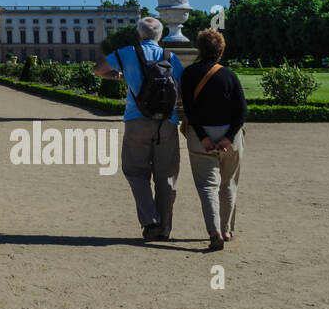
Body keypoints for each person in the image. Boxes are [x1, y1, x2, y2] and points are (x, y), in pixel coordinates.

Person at [95, 17, 183, 241]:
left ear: (139, 35)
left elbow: (99, 69)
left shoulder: (127, 52)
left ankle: (149, 220)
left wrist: (122, 76)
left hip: (136, 119)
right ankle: (164, 228)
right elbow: (180, 91)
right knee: (167, 176)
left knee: (135, 172)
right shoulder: (170, 57)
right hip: (167, 123)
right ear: (160, 36)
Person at [180, 28, 247, 251]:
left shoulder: (189, 74)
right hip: (230, 136)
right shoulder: (230, 75)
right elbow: (242, 112)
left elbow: (189, 110)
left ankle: (214, 229)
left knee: (208, 186)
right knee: (228, 184)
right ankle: (227, 230)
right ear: (221, 50)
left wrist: (204, 138)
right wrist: (228, 138)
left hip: (201, 138)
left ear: (199, 49)